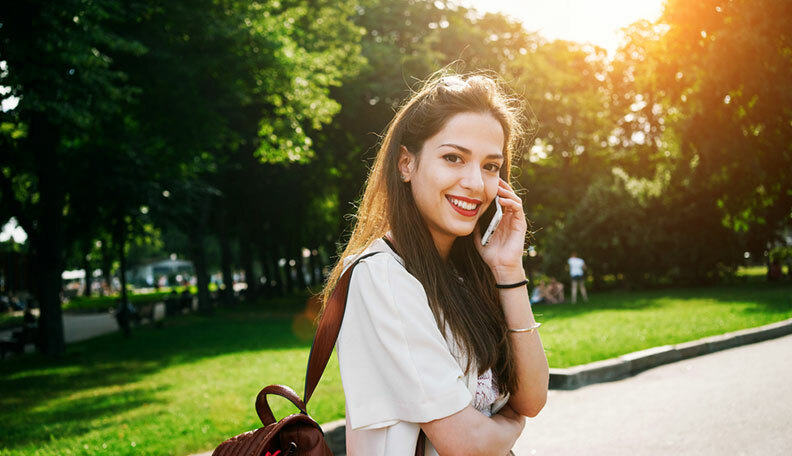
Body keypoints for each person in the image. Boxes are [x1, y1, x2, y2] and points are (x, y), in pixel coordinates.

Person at [319, 71, 549, 456]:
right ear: (406, 164)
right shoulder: (382, 275)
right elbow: (467, 442)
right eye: (453, 158)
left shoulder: (465, 273)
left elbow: (532, 396)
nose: (476, 183)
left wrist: (509, 271)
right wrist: (510, 423)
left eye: (491, 166)